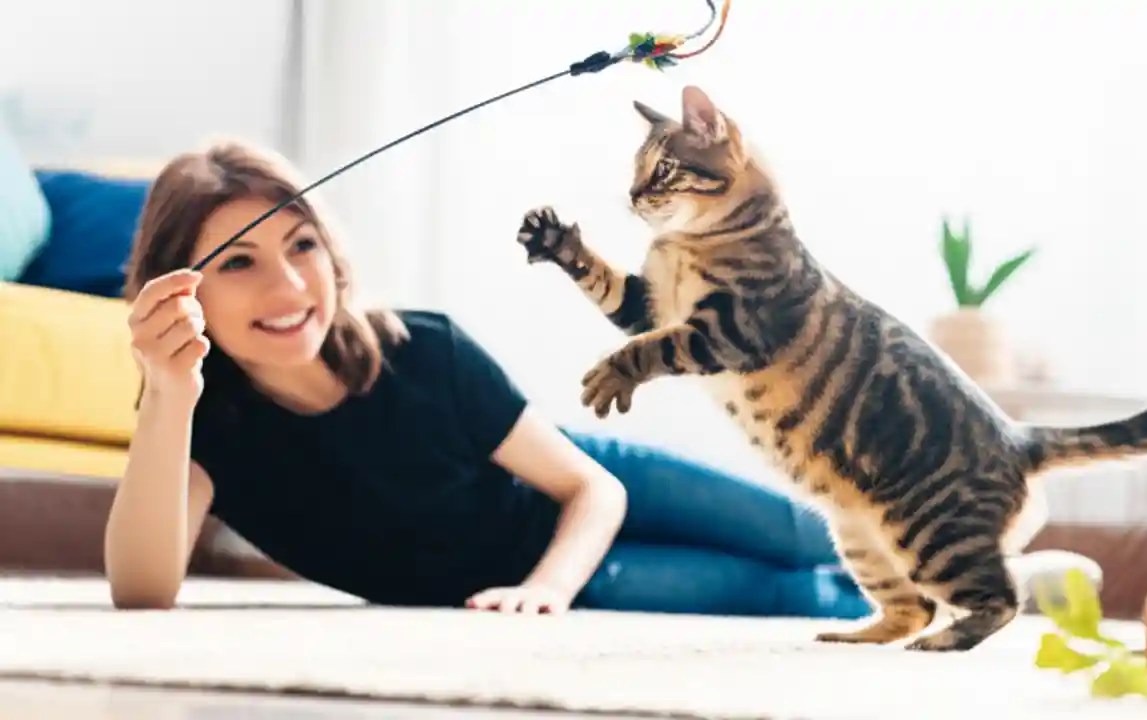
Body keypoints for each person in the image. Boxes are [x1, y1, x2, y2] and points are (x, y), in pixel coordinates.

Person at [103, 139, 874, 620]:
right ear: (178, 288)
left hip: (573, 499)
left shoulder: (423, 349)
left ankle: (988, 560)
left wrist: (548, 587)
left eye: (301, 245)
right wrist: (168, 396)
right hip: (531, 579)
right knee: (793, 596)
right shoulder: (202, 415)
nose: (288, 286)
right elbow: (144, 591)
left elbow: (593, 489)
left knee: (811, 531)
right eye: (238, 262)